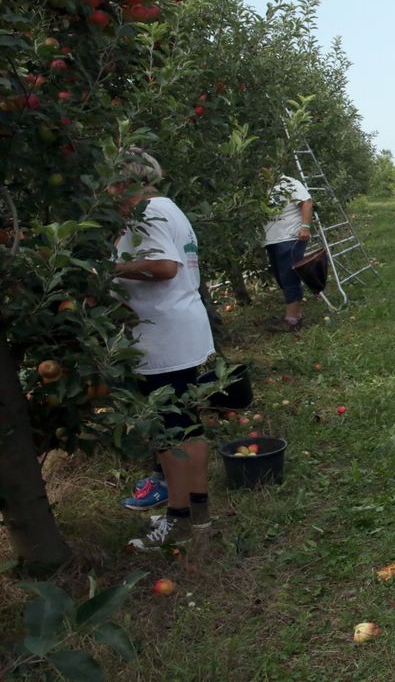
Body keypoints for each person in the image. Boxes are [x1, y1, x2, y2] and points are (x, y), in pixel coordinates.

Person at [110, 148, 216, 549]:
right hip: (184, 329)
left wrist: (110, 270)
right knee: (188, 424)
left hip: (162, 337)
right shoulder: (168, 207)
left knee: (168, 431)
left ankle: (177, 519)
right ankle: (198, 514)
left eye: (110, 182)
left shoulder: (147, 213)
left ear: (125, 181)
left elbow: (164, 266)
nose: (106, 191)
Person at [263, 174, 314, 332]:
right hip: (272, 240)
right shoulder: (261, 188)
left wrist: (305, 227)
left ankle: (291, 320)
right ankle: (296, 315)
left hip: (290, 237)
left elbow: (307, 202)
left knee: (289, 276)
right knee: (280, 277)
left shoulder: (289, 183)